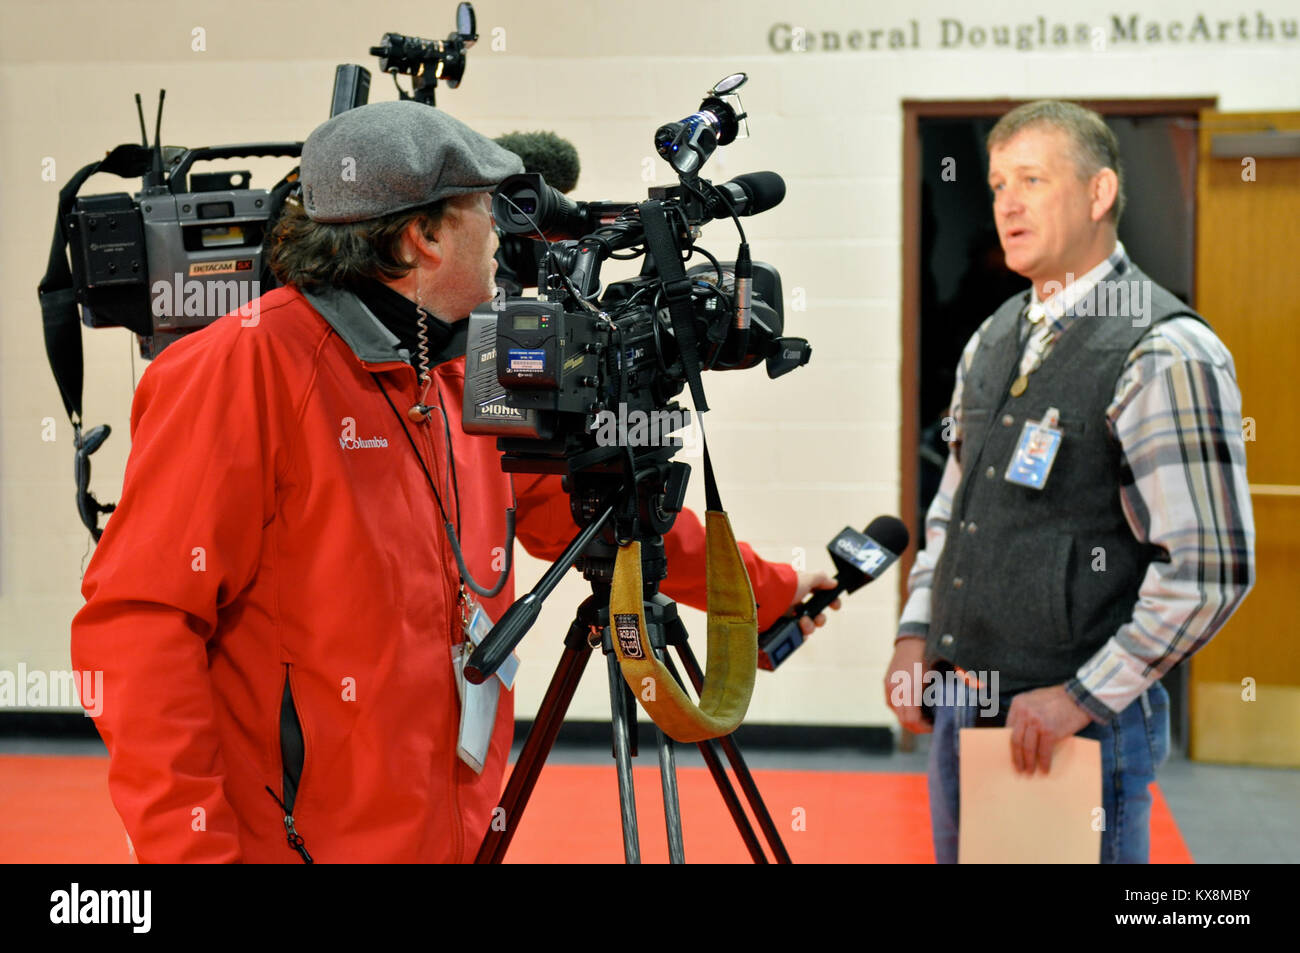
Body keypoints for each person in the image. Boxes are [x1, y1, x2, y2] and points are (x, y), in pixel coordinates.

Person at [71, 100, 835, 863]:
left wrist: (766, 589)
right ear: (425, 236)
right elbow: (136, 633)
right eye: (483, 210)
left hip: (455, 833)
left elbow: (579, 508)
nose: (503, 235)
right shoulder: (239, 369)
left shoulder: (466, 368)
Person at [887, 100, 1255, 864]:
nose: (1007, 203)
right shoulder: (992, 337)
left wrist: (1080, 698)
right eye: (995, 185)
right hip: (966, 703)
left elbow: (1209, 570)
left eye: (1032, 179)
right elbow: (955, 506)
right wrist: (918, 632)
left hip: (1076, 723)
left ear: (1099, 194)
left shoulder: (1164, 350)